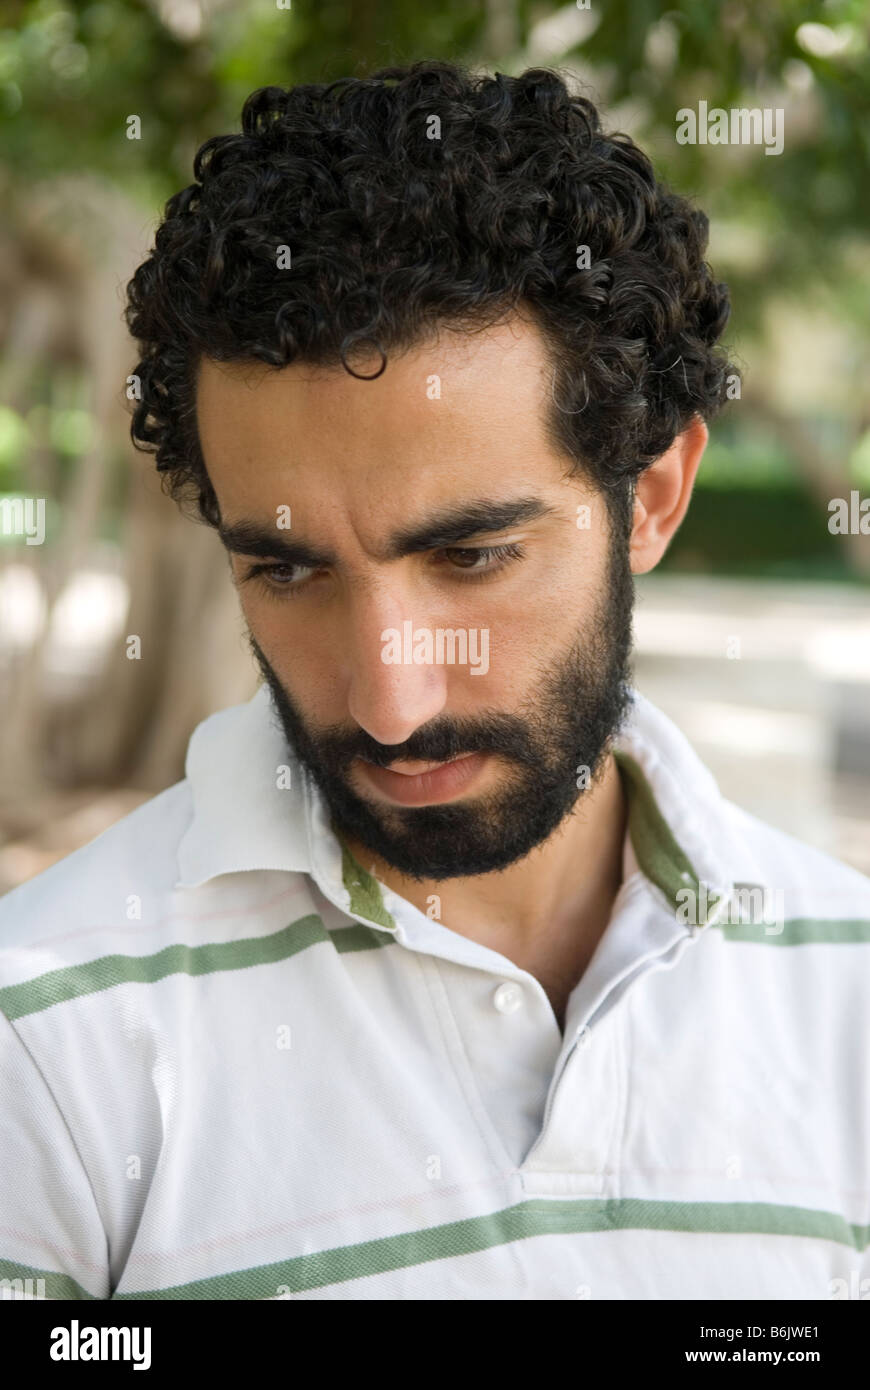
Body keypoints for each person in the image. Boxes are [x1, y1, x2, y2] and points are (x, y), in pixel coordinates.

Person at [1, 61, 868, 1302]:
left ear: (655, 498)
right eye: (287, 571)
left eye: (470, 556)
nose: (391, 705)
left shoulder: (847, 989)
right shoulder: (40, 1039)